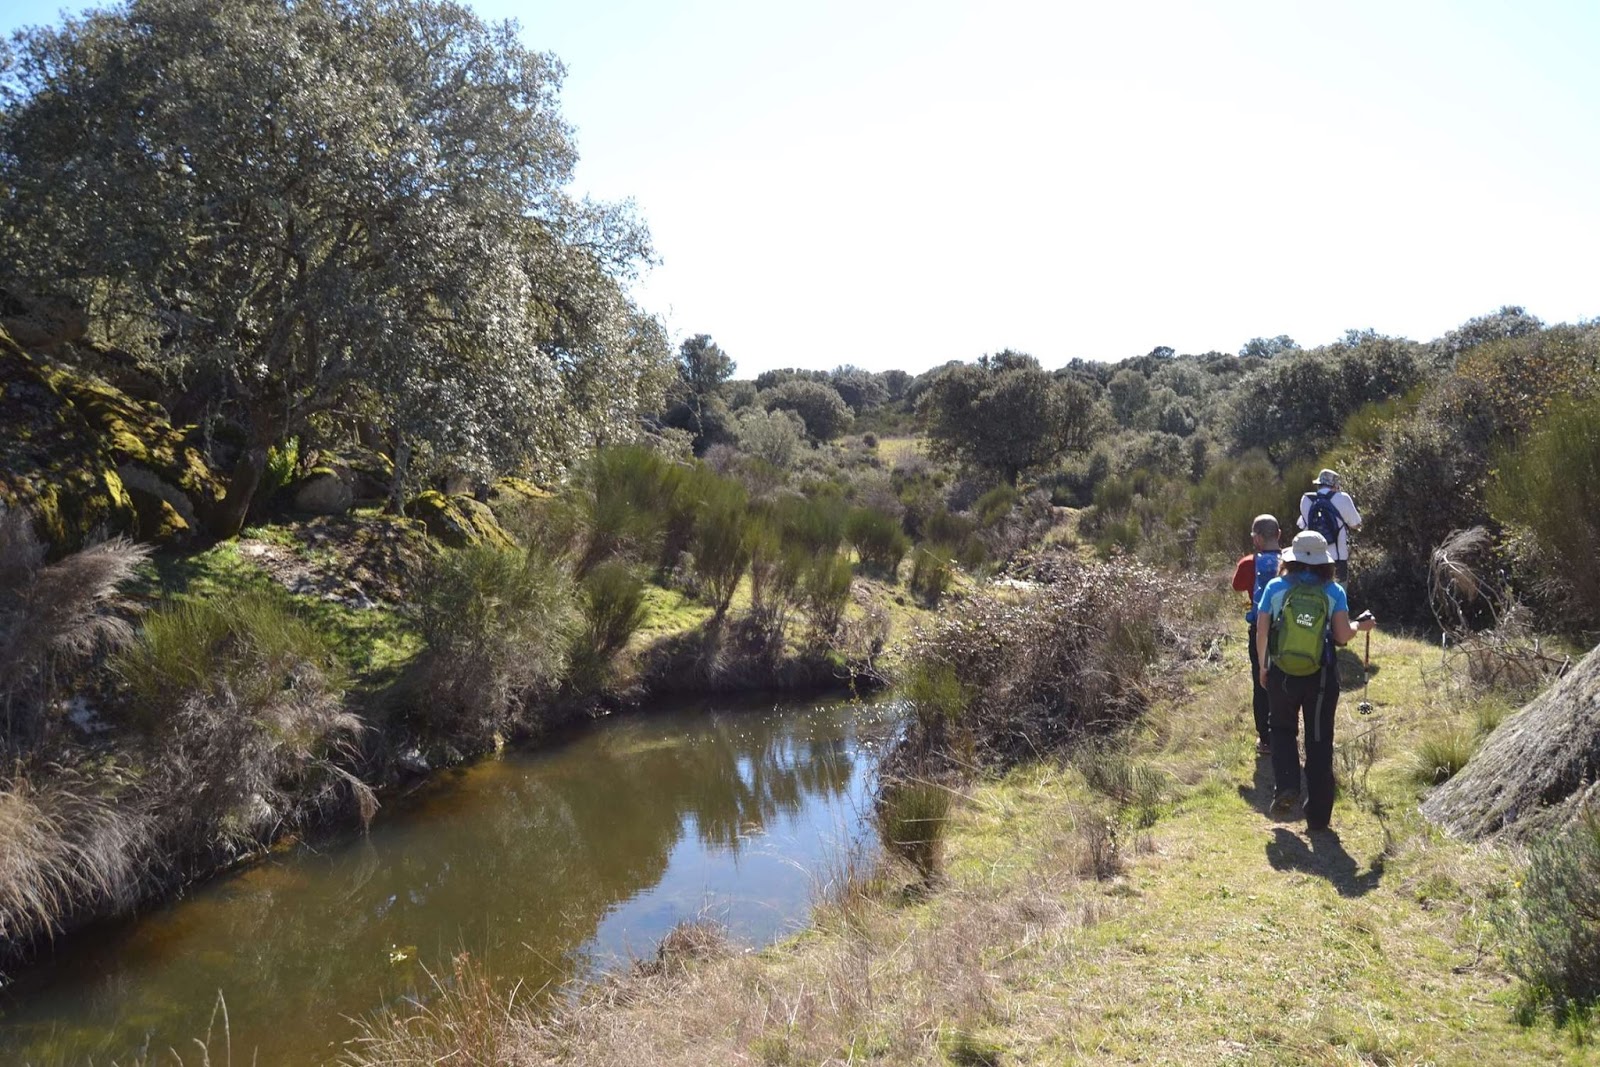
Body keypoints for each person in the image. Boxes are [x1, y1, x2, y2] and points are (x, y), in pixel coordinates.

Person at [1254, 530, 1377, 833]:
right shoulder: (1333, 591)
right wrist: (1359, 626)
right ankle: (1319, 817)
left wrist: (1264, 666)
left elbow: (1262, 630)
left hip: (1282, 673)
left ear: (1292, 558)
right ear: (1325, 561)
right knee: (1319, 741)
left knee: (1281, 729)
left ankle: (1287, 786)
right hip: (1320, 676)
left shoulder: (1275, 586)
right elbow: (1341, 635)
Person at [1230, 514, 1281, 755]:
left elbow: (1237, 586)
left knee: (1261, 681)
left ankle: (1266, 739)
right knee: (1286, 679)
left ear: (1257, 538)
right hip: (1286, 631)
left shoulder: (1248, 563)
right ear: (1278, 535)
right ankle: (1286, 731)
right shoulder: (1292, 561)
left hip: (1259, 630)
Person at [1298, 469, 1362, 581]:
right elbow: (1356, 525)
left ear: (1319, 484)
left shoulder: (1306, 499)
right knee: (1338, 590)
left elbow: (1302, 525)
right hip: (1337, 558)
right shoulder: (1343, 498)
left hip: (1313, 558)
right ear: (1335, 485)